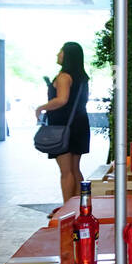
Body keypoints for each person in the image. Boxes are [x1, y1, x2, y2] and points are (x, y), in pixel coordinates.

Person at [35, 42, 90, 202]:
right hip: (79, 124)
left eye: (61, 52)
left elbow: (61, 100)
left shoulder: (64, 76)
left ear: (67, 56)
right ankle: (80, 206)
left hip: (63, 127)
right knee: (75, 169)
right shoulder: (82, 77)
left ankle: (67, 208)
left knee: (66, 172)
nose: (57, 54)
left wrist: (41, 108)